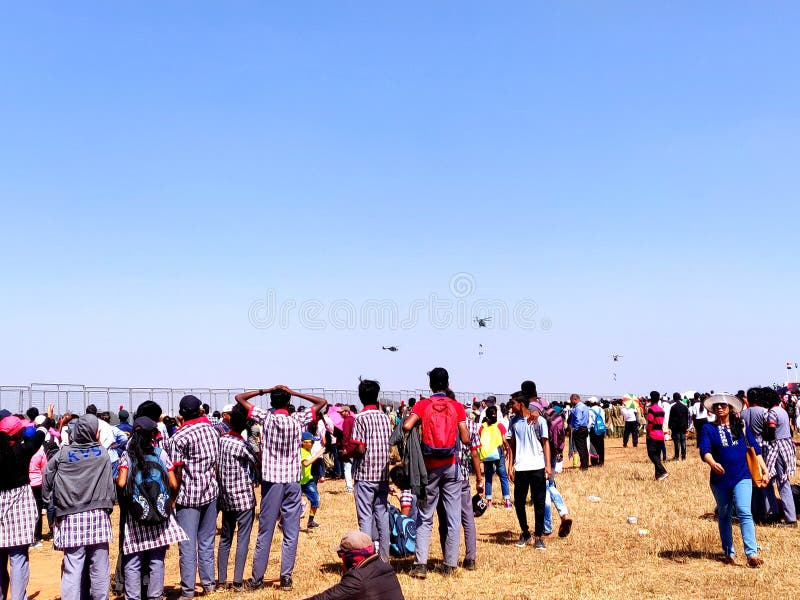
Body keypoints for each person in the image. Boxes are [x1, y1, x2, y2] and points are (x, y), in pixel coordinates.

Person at [234, 385, 328, 592]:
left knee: (266, 530)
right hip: (293, 481)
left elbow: (239, 397)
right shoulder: (297, 419)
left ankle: (257, 578)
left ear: (271, 402)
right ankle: (286, 577)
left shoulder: (266, 418)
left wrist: (264, 391)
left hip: (272, 481)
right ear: (288, 403)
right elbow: (321, 402)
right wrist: (293, 392)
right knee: (291, 530)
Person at [402, 368, 474, 578]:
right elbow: (466, 438)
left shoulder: (423, 405)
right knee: (452, 517)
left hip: (429, 467)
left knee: (424, 517)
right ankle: (450, 565)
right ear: (447, 383)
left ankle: (420, 564)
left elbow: (407, 426)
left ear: (431, 385)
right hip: (451, 466)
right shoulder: (457, 406)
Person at [43, 414, 116, 600]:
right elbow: (109, 486)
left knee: (72, 568)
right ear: (94, 432)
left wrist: (51, 501)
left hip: (70, 516)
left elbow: (47, 476)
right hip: (98, 516)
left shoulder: (63, 454)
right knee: (100, 568)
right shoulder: (102, 454)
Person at [117, 417, 188, 600]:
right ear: (152, 435)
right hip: (159, 513)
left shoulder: (127, 455)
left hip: (137, 516)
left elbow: (122, 482)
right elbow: (173, 483)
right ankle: (155, 596)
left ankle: (133, 597)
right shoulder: (161, 454)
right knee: (156, 560)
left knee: (133, 560)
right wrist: (170, 502)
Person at [699, 393, 768, 567]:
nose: (720, 408)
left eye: (723, 405)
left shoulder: (741, 426)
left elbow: (754, 449)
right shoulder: (708, 428)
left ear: (730, 408)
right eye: (717, 406)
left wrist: (764, 469)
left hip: (742, 475)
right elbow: (704, 450)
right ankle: (729, 552)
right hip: (720, 479)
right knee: (724, 514)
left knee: (744, 511)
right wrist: (712, 463)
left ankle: (751, 554)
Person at [169, 394, 220, 598]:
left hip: (188, 496)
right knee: (207, 541)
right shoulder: (212, 430)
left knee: (187, 546)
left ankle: (187, 590)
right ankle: (209, 585)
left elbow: (178, 472)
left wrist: (173, 497)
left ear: (181, 414)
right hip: (210, 492)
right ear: (200, 410)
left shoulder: (179, 437)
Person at [0, 412, 46, 600]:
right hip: (19, 506)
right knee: (19, 557)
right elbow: (40, 435)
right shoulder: (23, 450)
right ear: (17, 433)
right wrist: (46, 420)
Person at [436, 389, 483, 571]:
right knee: (467, 518)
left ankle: (449, 558)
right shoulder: (470, 425)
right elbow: (475, 453)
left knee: (445, 518)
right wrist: (479, 478)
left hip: (444, 476)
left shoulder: (440, 423)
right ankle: (470, 558)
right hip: (463, 477)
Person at [348, 380, 393, 562]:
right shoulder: (385, 417)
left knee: (365, 518)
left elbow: (359, 449)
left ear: (360, 397)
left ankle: (366, 560)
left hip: (365, 473)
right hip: (382, 474)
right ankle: (384, 558)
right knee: (382, 516)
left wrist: (346, 454)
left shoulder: (360, 418)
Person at [216, 404, 258, 589]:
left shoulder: (221, 441)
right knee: (243, 539)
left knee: (225, 539)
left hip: (225, 498)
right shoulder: (241, 444)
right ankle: (238, 580)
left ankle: (221, 580)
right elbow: (257, 461)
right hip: (243, 498)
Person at [303, 531, 405, 600]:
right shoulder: (385, 566)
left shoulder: (356, 579)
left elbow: (325, 598)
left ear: (350, 557)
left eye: (341, 555)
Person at [507, 393, 551, 549]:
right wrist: (510, 465)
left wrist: (548, 466)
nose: (510, 406)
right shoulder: (513, 421)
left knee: (539, 502)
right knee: (519, 502)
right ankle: (525, 532)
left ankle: (538, 536)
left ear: (521, 404)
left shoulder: (539, 420)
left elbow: (545, 443)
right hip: (521, 467)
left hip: (537, 466)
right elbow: (512, 445)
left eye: (512, 403)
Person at [761, 387, 797, 526]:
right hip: (786, 448)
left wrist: (761, 433)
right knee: (783, 483)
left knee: (779, 483)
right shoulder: (782, 410)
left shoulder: (772, 413)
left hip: (777, 450)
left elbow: (771, 433)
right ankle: (788, 516)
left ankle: (786, 517)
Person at [479, 406, 512, 509]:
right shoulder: (499, 425)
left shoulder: (482, 427)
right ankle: (507, 501)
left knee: (488, 477)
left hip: (487, 454)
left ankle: (489, 501)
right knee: (503, 476)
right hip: (498, 452)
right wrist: (507, 448)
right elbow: (503, 439)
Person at [300, 432, 325, 529]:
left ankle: (310, 522)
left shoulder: (308, 450)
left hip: (307, 480)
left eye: (313, 442)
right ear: (303, 442)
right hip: (298, 481)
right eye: (311, 442)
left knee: (315, 500)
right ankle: (282, 523)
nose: (312, 444)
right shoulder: (301, 451)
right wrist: (318, 454)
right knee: (293, 505)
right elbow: (306, 463)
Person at [646, 391, 668, 481]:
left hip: (653, 434)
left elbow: (650, 423)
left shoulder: (651, 409)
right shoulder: (661, 410)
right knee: (657, 455)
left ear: (651, 399)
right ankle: (658, 475)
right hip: (660, 433)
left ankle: (663, 471)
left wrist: (648, 432)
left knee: (651, 454)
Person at [568, 394, 589, 469]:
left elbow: (578, 420)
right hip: (585, 428)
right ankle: (585, 464)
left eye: (571, 400)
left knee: (580, 448)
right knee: (584, 448)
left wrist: (575, 429)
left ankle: (583, 466)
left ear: (575, 399)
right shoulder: (585, 407)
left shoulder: (578, 408)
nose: (571, 402)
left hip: (579, 429)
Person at [338, 405, 355, 493]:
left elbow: (345, 435)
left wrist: (344, 447)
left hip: (349, 447)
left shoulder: (346, 421)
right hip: (356, 446)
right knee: (356, 467)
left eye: (342, 412)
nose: (340, 414)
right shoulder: (354, 419)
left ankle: (349, 488)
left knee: (347, 468)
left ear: (347, 412)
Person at [668, 392, 689, 461]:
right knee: (683, 442)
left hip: (675, 427)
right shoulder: (685, 407)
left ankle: (677, 456)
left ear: (674, 398)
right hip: (683, 426)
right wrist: (687, 426)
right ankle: (684, 456)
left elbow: (671, 418)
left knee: (677, 442)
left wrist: (669, 426)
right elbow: (687, 418)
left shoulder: (673, 407)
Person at [588, 397, 606, 466]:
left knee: (593, 446)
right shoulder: (601, 409)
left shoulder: (590, 410)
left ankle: (594, 462)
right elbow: (603, 420)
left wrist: (588, 429)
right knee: (601, 445)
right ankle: (601, 462)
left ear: (591, 403)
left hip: (593, 430)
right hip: (601, 429)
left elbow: (589, 422)